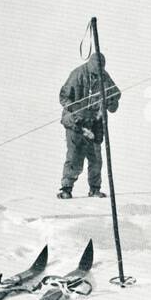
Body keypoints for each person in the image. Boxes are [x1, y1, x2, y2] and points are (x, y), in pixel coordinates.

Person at [58, 52, 121, 199]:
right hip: (76, 122)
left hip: (94, 123)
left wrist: (111, 103)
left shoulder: (104, 77)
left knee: (96, 158)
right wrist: (73, 109)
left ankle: (94, 188)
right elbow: (63, 96)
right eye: (95, 70)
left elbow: (115, 95)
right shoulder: (77, 74)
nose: (98, 73)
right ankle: (66, 188)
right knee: (75, 156)